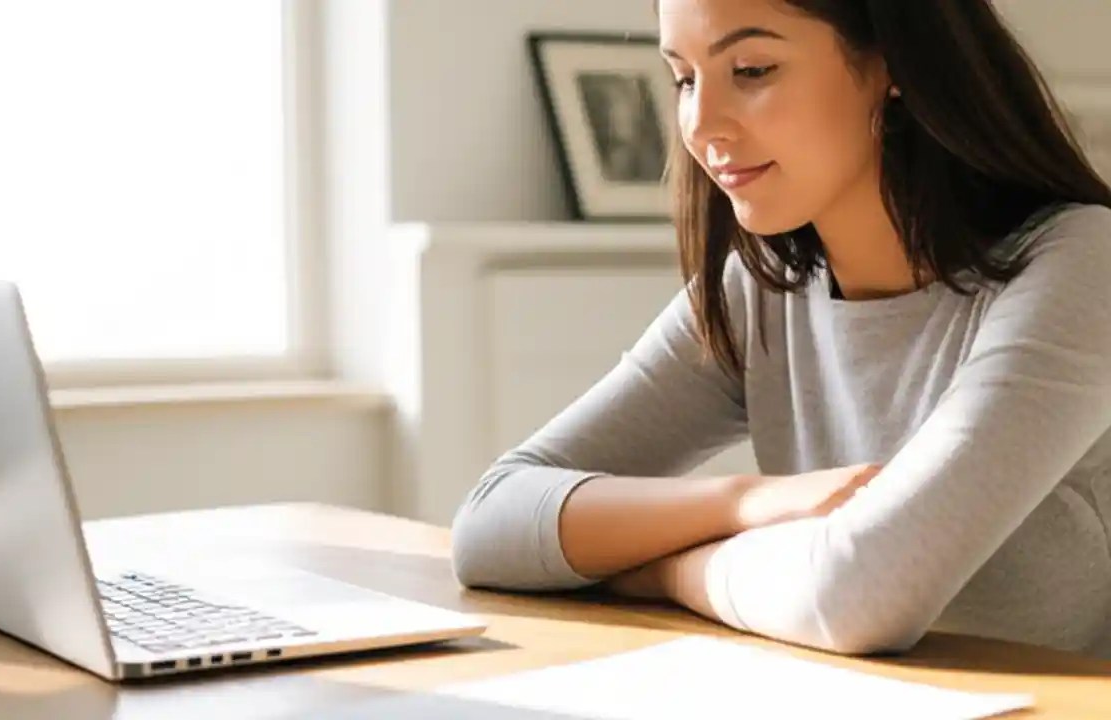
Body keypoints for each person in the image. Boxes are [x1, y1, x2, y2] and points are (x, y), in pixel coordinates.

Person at [451, 0, 1111, 659]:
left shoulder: (1083, 262)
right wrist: (746, 502)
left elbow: (859, 596)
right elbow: (491, 521)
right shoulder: (761, 290)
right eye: (684, 79)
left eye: (752, 68)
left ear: (891, 62)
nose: (701, 125)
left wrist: (656, 571)